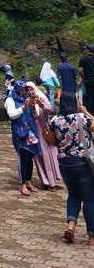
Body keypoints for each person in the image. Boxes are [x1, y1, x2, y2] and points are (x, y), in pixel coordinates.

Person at [48, 91, 94, 245]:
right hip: (82, 163)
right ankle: (92, 236)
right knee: (89, 197)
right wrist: (85, 111)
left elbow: (53, 141)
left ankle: (71, 227)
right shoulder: (82, 118)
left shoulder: (55, 120)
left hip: (64, 163)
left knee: (74, 195)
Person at [4, 79, 41, 196]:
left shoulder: (27, 99)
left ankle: (28, 181)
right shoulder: (10, 100)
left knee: (30, 156)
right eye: (23, 90)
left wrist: (34, 107)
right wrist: (23, 108)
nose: (25, 92)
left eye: (25, 90)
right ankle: (22, 184)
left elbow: (36, 116)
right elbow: (11, 115)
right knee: (23, 157)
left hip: (31, 132)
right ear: (18, 89)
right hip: (20, 133)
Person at [25, 81, 61, 190]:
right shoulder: (27, 101)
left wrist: (41, 104)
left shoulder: (41, 97)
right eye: (28, 90)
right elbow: (32, 116)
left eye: (31, 89)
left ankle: (52, 181)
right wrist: (31, 108)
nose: (30, 92)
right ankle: (45, 181)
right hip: (34, 132)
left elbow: (50, 109)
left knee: (49, 155)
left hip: (45, 130)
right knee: (39, 157)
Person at [79, 44, 94, 115]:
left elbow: (80, 70)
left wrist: (83, 77)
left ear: (88, 50)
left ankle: (90, 113)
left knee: (89, 96)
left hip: (88, 80)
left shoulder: (84, 58)